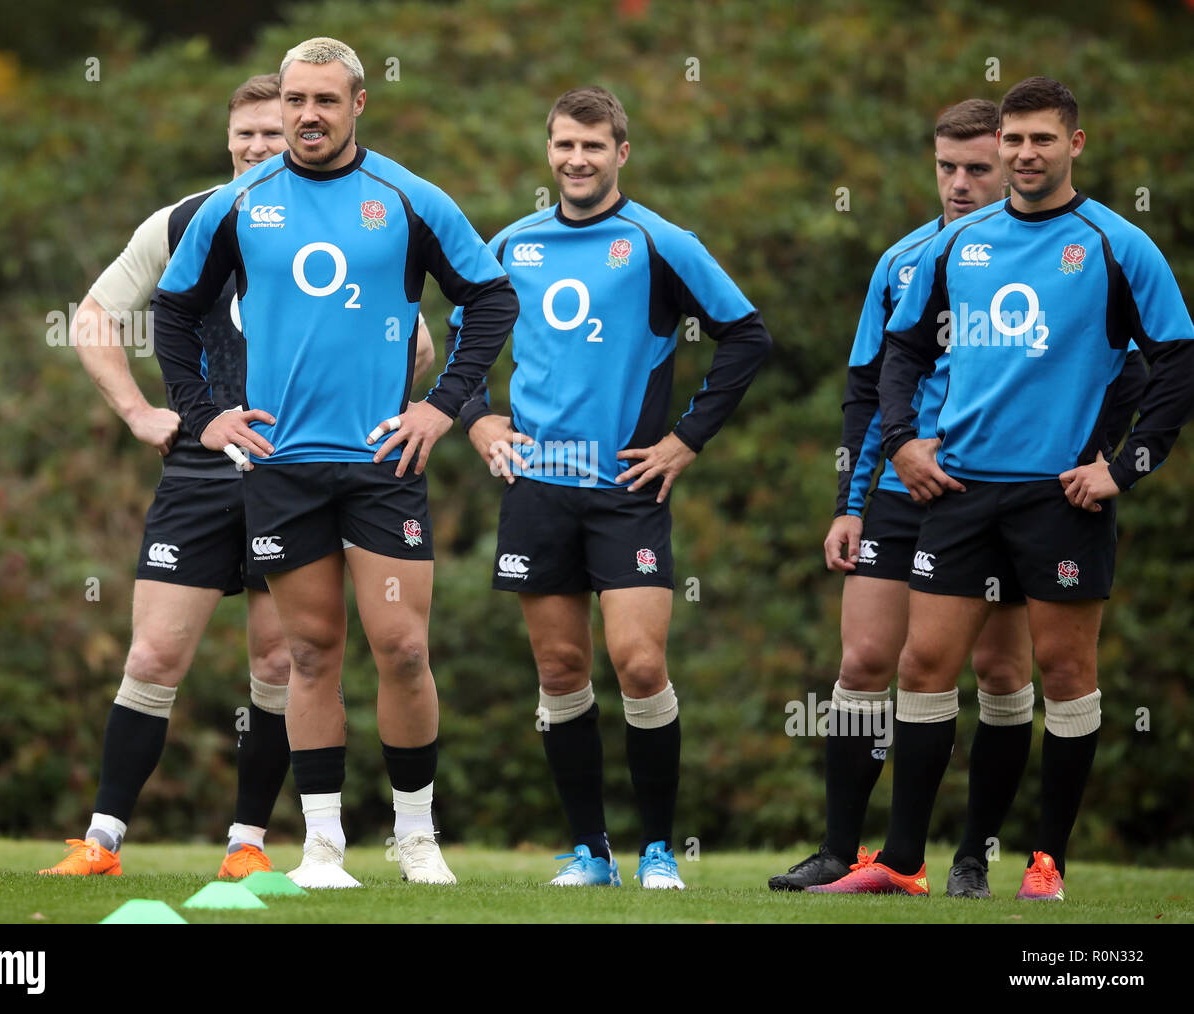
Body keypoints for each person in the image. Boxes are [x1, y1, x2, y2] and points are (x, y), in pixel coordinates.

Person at [40, 72, 437, 880]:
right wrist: (140, 413)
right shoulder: (186, 219)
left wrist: (375, 411)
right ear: (229, 139)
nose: (262, 145)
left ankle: (247, 845)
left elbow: (420, 343)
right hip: (198, 466)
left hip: (296, 469)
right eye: (248, 134)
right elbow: (93, 315)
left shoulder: (342, 216)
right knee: (152, 657)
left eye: (274, 132)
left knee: (280, 663)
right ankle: (102, 842)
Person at [816, 77, 1193, 899]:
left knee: (1060, 676)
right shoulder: (960, 243)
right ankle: (903, 863)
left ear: (1075, 145)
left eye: (1041, 140)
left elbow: (1175, 361)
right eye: (1014, 140)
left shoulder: (1116, 243)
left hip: (1059, 500)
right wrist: (905, 443)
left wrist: (1123, 466)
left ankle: (1045, 862)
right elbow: (902, 352)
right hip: (959, 493)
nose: (1025, 155)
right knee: (919, 667)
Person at [152, 38, 517, 888]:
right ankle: (322, 846)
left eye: (325, 99)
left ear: (359, 104)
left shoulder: (408, 198)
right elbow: (173, 312)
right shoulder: (238, 204)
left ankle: (418, 836)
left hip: (381, 463)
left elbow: (491, 297)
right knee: (311, 655)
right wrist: (204, 418)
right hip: (279, 467)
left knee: (401, 648)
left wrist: (442, 405)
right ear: (278, 106)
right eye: (294, 100)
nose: (307, 115)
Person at [440, 86, 770, 889]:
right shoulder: (512, 242)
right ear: (548, 151)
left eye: (593, 146)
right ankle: (592, 854)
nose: (577, 160)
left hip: (626, 488)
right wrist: (479, 420)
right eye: (564, 146)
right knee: (559, 670)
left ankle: (660, 850)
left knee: (639, 663)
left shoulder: (658, 241)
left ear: (621, 153)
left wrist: (685, 440)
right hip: (537, 490)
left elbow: (747, 336)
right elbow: (467, 340)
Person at [772, 100, 1034, 898]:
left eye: (976, 168)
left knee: (997, 672)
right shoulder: (904, 261)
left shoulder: (1055, 257)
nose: (958, 184)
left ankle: (970, 858)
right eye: (946, 167)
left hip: (1000, 492)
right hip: (895, 487)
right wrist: (850, 503)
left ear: (1013, 165)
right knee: (864, 662)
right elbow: (863, 390)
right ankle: (842, 850)